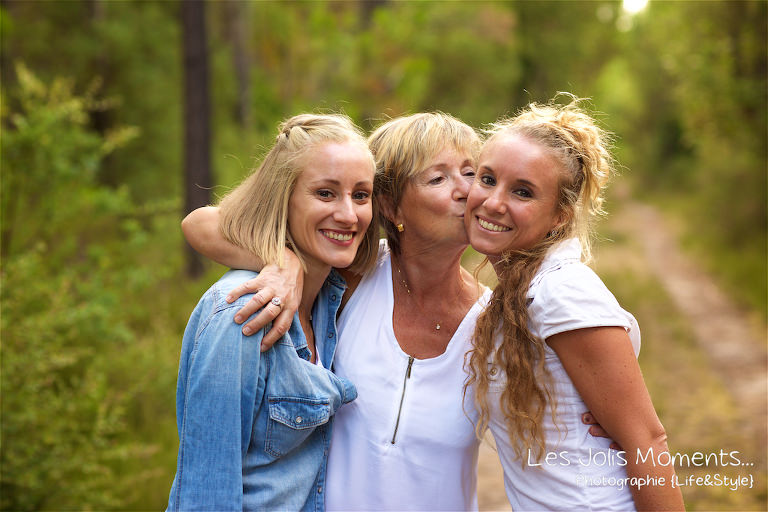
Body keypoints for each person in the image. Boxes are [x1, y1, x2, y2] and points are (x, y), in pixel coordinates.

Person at [182, 111, 613, 510]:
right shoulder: (346, 281)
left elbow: (568, 408)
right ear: (390, 206)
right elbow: (201, 223)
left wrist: (593, 418)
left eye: (472, 173)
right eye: (439, 178)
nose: (467, 191)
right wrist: (282, 260)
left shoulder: (495, 321)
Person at [463, 97, 685, 511]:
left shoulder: (561, 290)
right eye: (487, 179)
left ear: (560, 215)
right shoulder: (516, 292)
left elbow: (647, 439)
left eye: (523, 192)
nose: (494, 202)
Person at [166, 113, 379, 511]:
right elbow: (207, 492)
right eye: (326, 193)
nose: (349, 215)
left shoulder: (333, 302)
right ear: (284, 197)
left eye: (361, 195)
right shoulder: (242, 309)